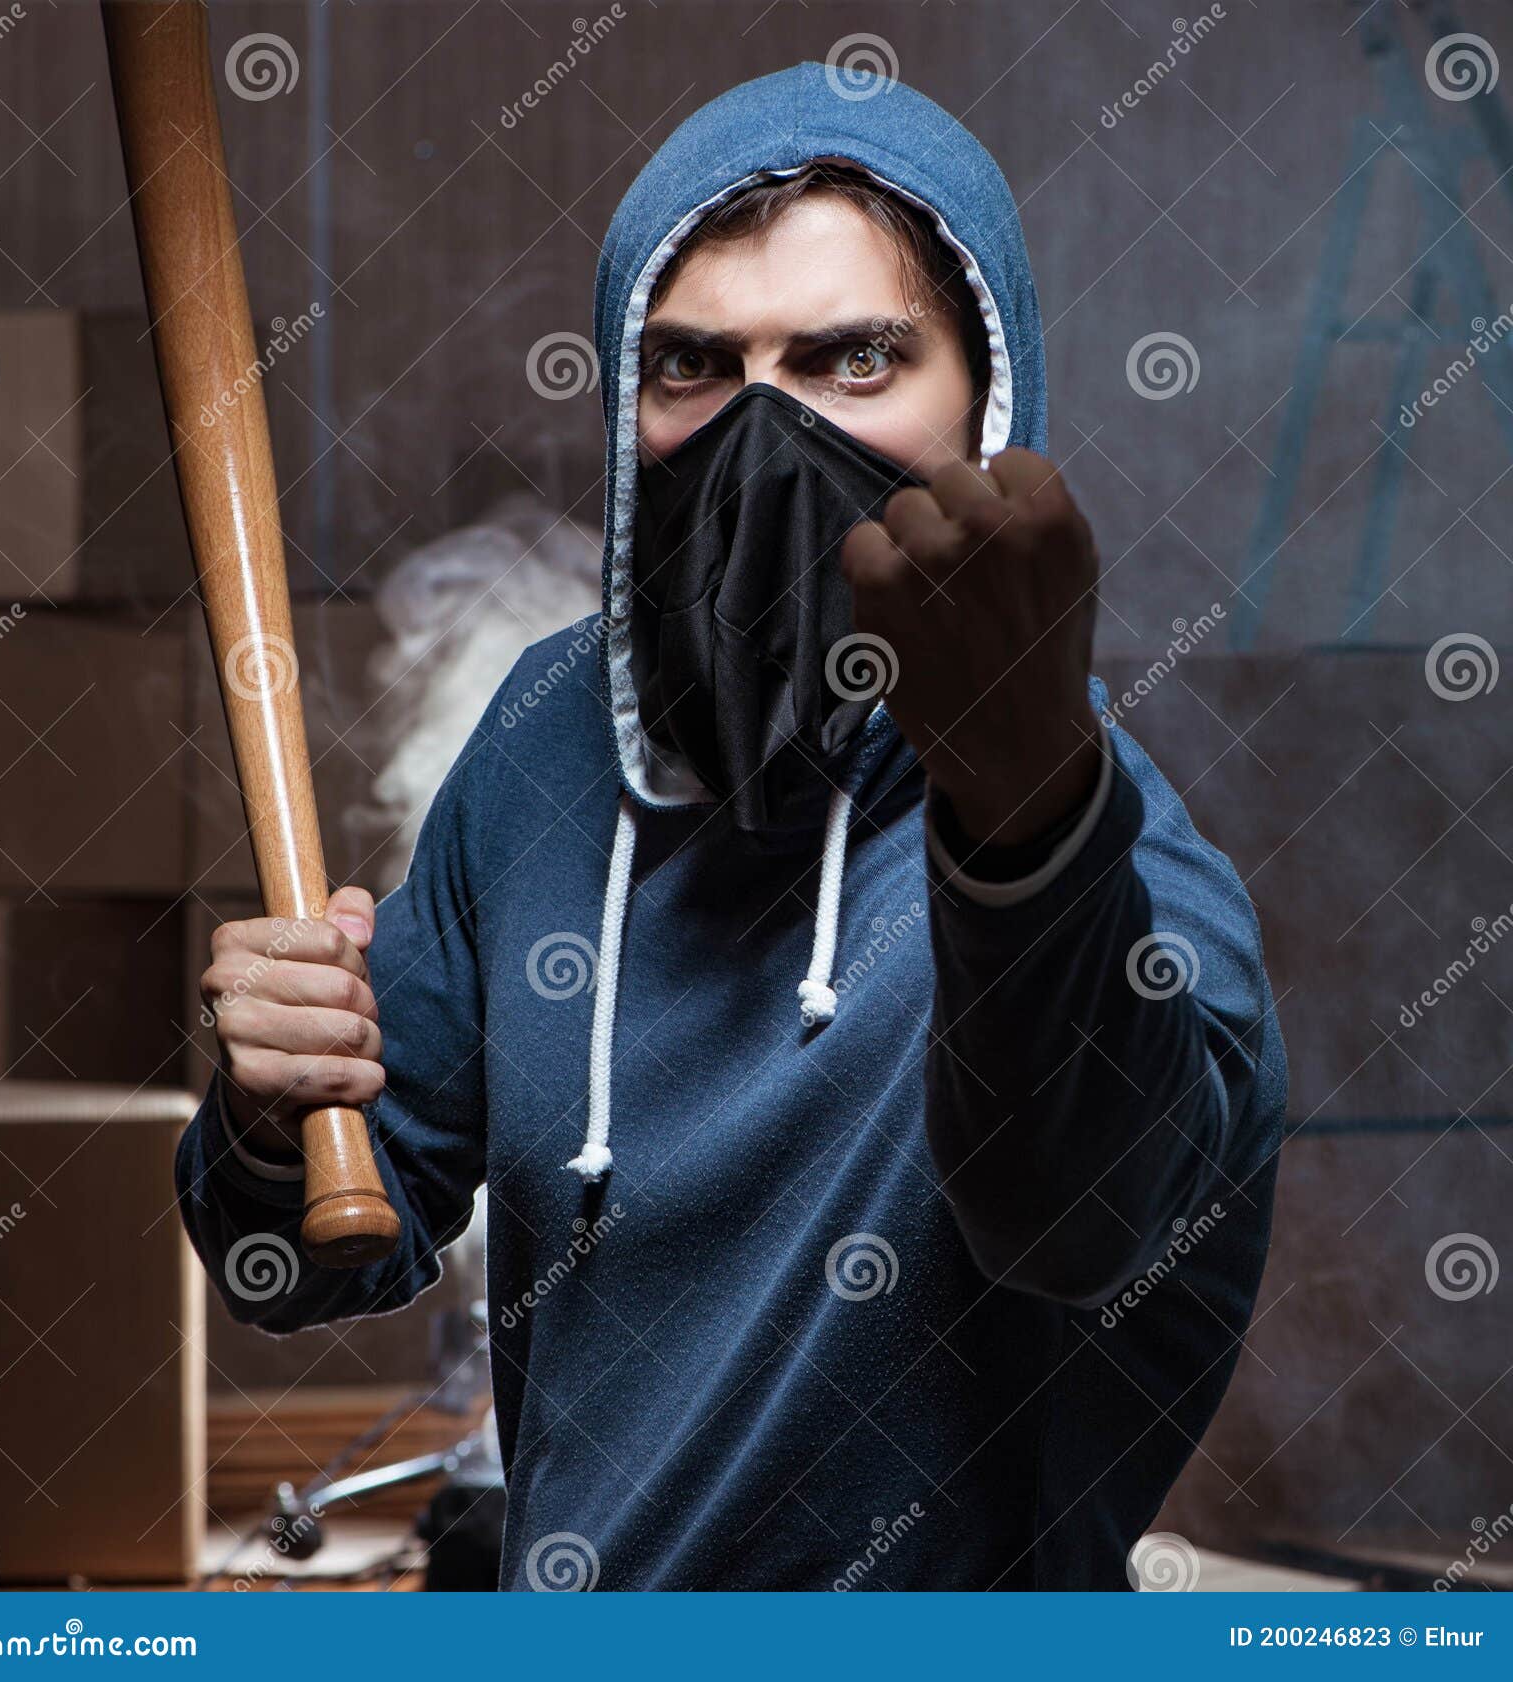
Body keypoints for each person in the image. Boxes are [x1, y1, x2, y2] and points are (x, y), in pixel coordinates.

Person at [178, 61, 1287, 1591]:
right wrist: (268, 1106)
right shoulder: (537, 748)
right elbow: (310, 1255)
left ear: (991, 395)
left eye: (852, 361)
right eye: (695, 368)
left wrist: (1031, 818)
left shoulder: (1119, 863)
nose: (765, 439)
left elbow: (1089, 1222)